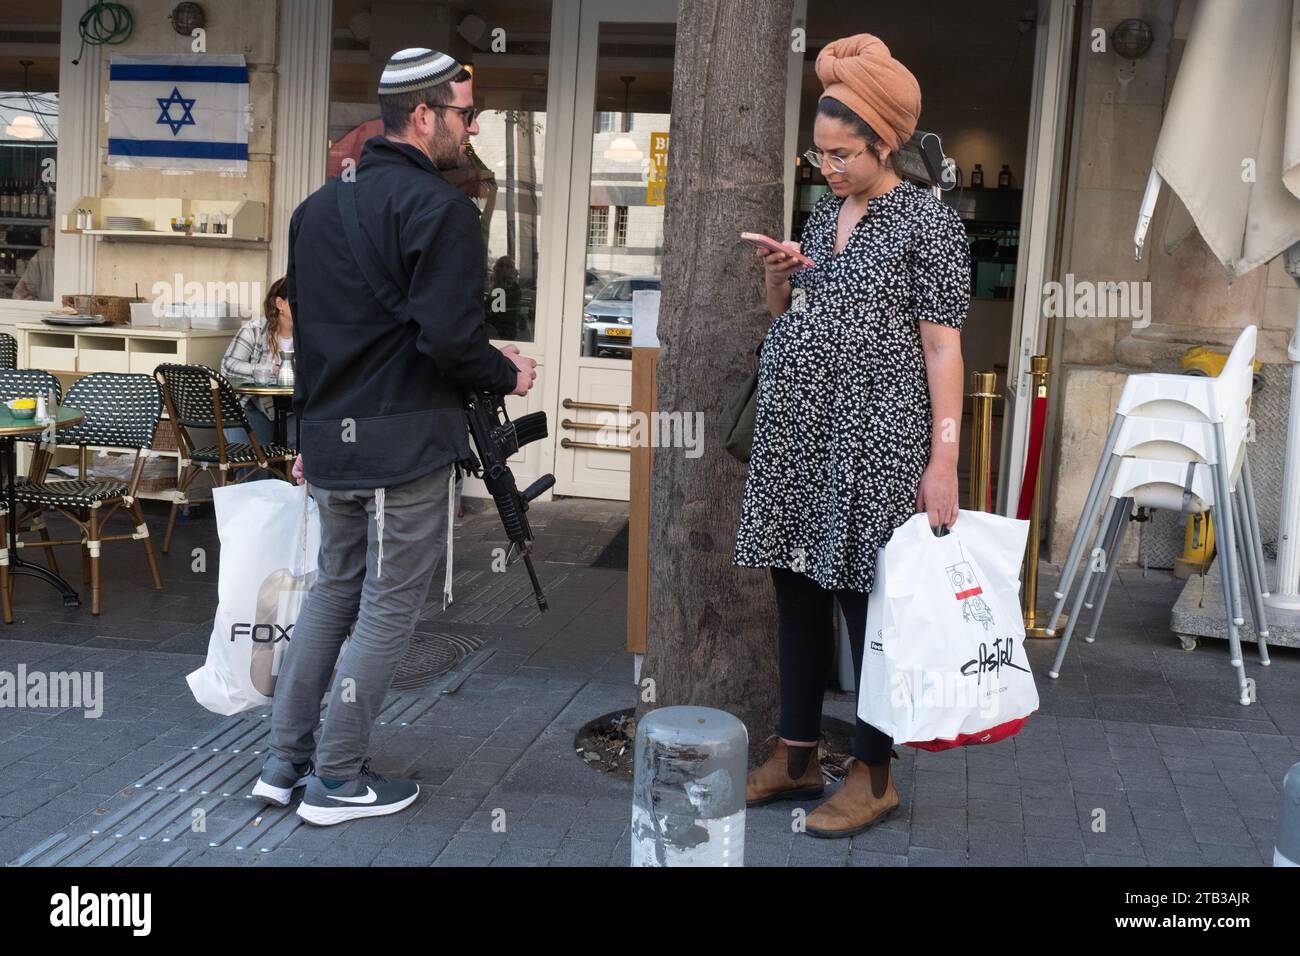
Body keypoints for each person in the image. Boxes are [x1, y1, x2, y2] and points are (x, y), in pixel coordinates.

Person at [251, 47, 537, 825]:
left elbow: (309, 338)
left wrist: (308, 430)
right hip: (404, 444)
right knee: (386, 606)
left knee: (334, 593)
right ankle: (337, 779)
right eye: (466, 114)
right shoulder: (441, 210)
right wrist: (504, 372)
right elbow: (449, 340)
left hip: (335, 437)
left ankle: (284, 763)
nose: (472, 128)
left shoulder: (315, 209)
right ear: (424, 116)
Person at [731, 33, 969, 839]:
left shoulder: (927, 225)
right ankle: (796, 755)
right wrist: (778, 282)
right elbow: (793, 321)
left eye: (842, 155)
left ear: (885, 144)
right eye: (819, 153)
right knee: (795, 591)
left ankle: (875, 775)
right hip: (800, 434)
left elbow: (943, 347)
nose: (826, 167)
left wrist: (945, 460)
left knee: (871, 608)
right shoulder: (824, 212)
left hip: (878, 440)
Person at [219, 276, 294, 447]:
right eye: (298, 299)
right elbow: (227, 366)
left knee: (298, 448)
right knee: (254, 459)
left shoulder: (309, 335)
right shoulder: (254, 330)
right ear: (280, 304)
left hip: (294, 409)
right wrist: (267, 370)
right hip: (250, 405)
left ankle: (287, 473)